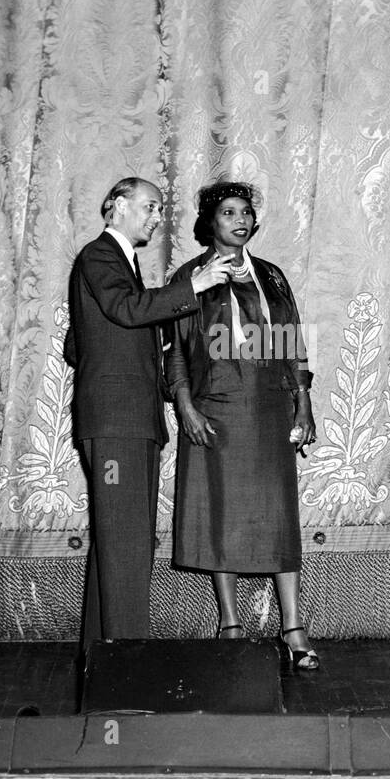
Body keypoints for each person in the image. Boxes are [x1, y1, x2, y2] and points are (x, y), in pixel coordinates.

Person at [63, 177, 232, 648]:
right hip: (118, 423)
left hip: (127, 420)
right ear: (116, 206)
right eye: (150, 207)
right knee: (127, 546)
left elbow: (79, 343)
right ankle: (129, 666)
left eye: (161, 210)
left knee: (117, 546)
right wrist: (192, 286)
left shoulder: (120, 266)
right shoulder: (99, 255)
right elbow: (124, 309)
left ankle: (103, 661)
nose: (158, 217)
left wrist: (138, 352)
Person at [164, 181, 320, 669]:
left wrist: (303, 402)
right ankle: (230, 625)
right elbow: (176, 352)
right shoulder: (188, 276)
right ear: (210, 222)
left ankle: (292, 628)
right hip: (215, 411)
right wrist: (185, 407)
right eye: (229, 212)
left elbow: (290, 341)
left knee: (277, 516)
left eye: (246, 211)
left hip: (268, 410)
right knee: (221, 514)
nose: (240, 219)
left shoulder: (271, 277)